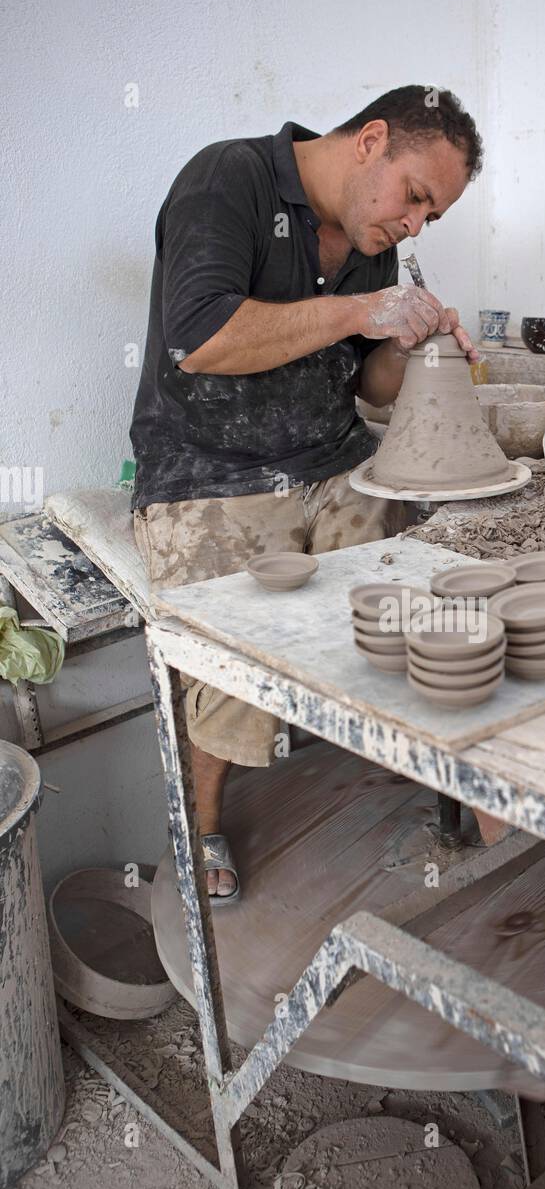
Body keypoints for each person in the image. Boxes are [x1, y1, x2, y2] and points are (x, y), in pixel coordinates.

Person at [130, 85, 484, 899]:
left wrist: (415, 343)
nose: (415, 225)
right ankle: (201, 823)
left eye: (434, 218)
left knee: (431, 593)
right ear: (371, 140)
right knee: (237, 639)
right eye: (417, 197)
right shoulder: (229, 178)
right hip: (207, 467)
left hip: (331, 456)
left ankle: (442, 795)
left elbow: (371, 384)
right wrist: (365, 306)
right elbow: (200, 335)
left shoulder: (372, 239)